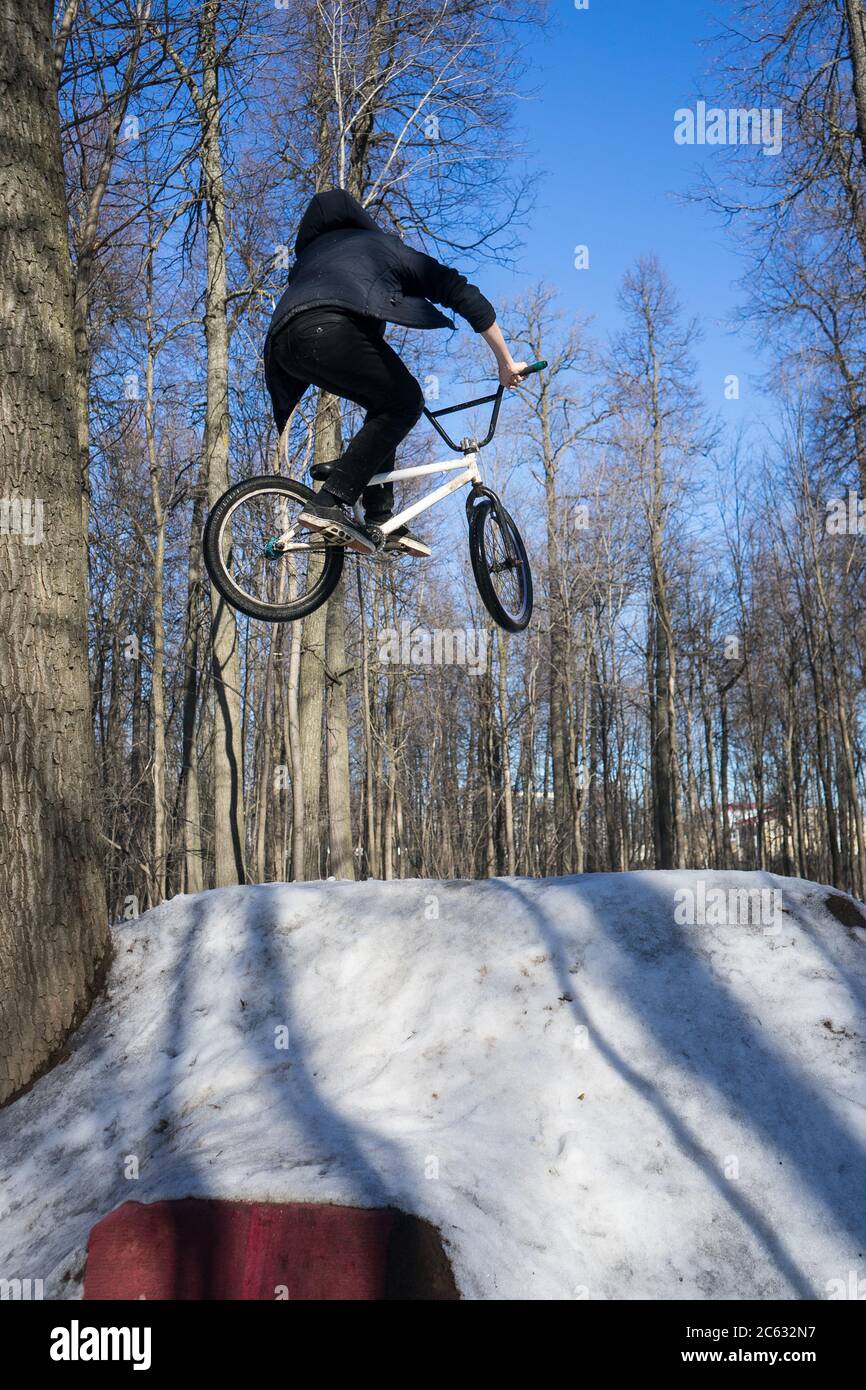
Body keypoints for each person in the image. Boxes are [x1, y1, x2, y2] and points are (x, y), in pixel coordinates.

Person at [263, 188, 527, 555]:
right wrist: (505, 360)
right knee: (405, 401)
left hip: (283, 348)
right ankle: (331, 500)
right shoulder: (380, 246)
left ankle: (379, 516)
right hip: (329, 332)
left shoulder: (308, 263)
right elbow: (461, 292)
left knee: (385, 405)